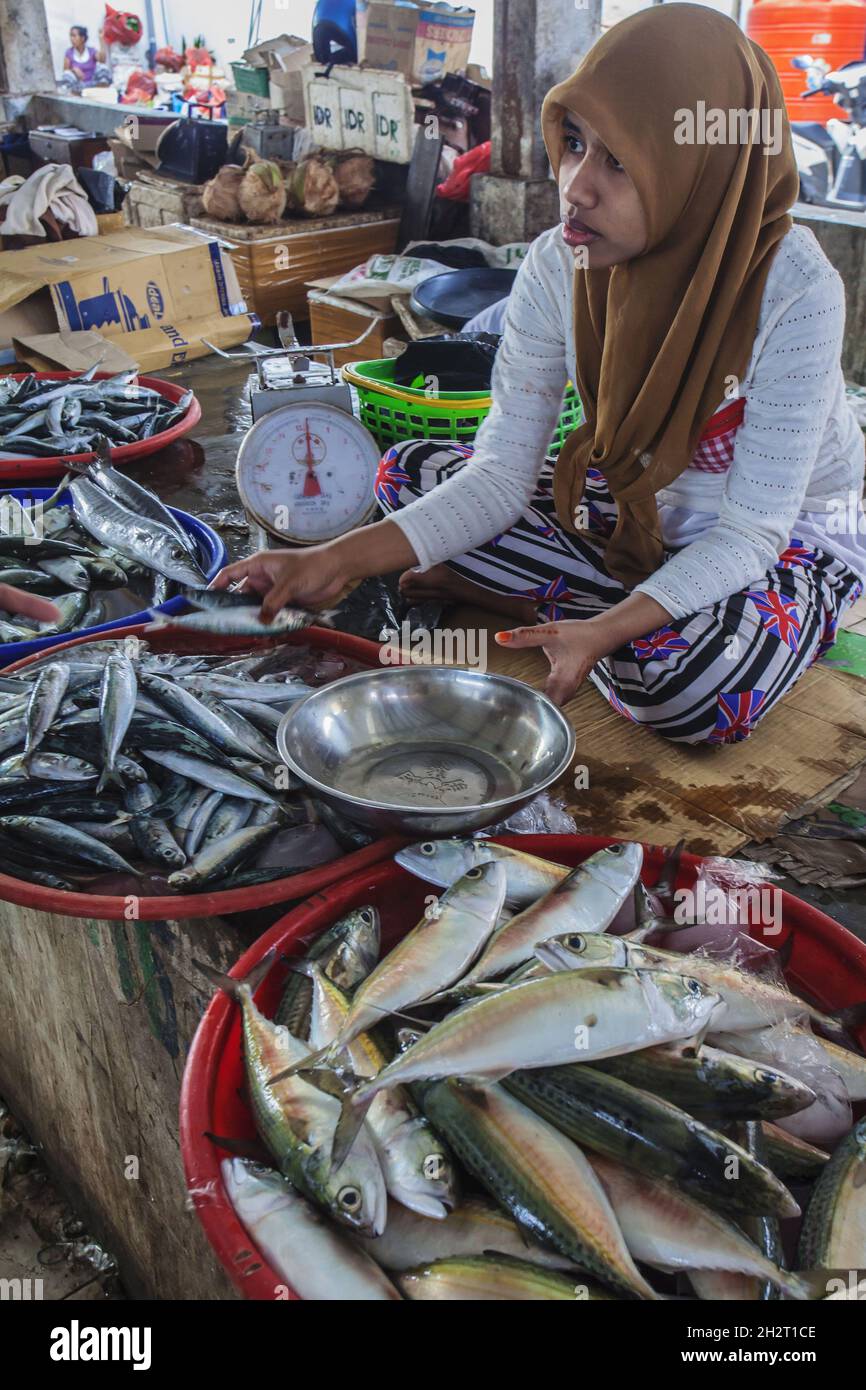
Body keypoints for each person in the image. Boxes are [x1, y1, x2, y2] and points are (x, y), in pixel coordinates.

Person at [213, 5, 866, 746]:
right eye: (577, 143)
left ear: (700, 167)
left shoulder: (792, 286)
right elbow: (498, 475)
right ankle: (614, 617)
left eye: (620, 161)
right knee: (406, 475)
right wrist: (334, 559)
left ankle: (578, 616)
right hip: (632, 506)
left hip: (781, 537)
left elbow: (752, 530)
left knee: (696, 694)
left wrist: (608, 629)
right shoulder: (565, 262)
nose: (577, 187)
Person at [60, 25, 111, 92]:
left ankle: (101, 93)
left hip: (93, 84)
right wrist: (74, 70)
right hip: (77, 86)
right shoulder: (69, 52)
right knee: (67, 74)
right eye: (71, 36)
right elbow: (65, 71)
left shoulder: (91, 51)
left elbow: (102, 60)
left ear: (82, 38)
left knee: (103, 68)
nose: (71, 39)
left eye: (74, 36)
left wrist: (101, 39)